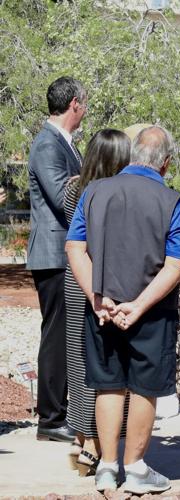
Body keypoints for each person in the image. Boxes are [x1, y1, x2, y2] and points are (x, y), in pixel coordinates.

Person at [66, 126, 180, 494]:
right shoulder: (172, 201)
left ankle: (107, 467)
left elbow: (75, 247)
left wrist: (96, 297)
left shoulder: (93, 192)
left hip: (102, 308)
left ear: (133, 154)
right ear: (166, 163)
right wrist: (137, 306)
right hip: (151, 313)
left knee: (109, 386)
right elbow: (177, 264)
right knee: (143, 390)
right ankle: (135, 469)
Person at [63, 129, 131, 475]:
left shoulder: (74, 190)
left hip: (76, 280)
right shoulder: (118, 195)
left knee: (78, 361)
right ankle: (96, 442)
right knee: (108, 364)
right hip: (108, 280)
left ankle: (81, 436)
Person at [27, 76, 87, 443]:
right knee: (56, 336)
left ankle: (65, 411)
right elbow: (65, 197)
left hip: (66, 253)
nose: (86, 111)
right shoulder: (47, 145)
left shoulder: (62, 143)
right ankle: (50, 420)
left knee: (66, 334)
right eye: (85, 104)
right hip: (53, 255)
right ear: (74, 105)